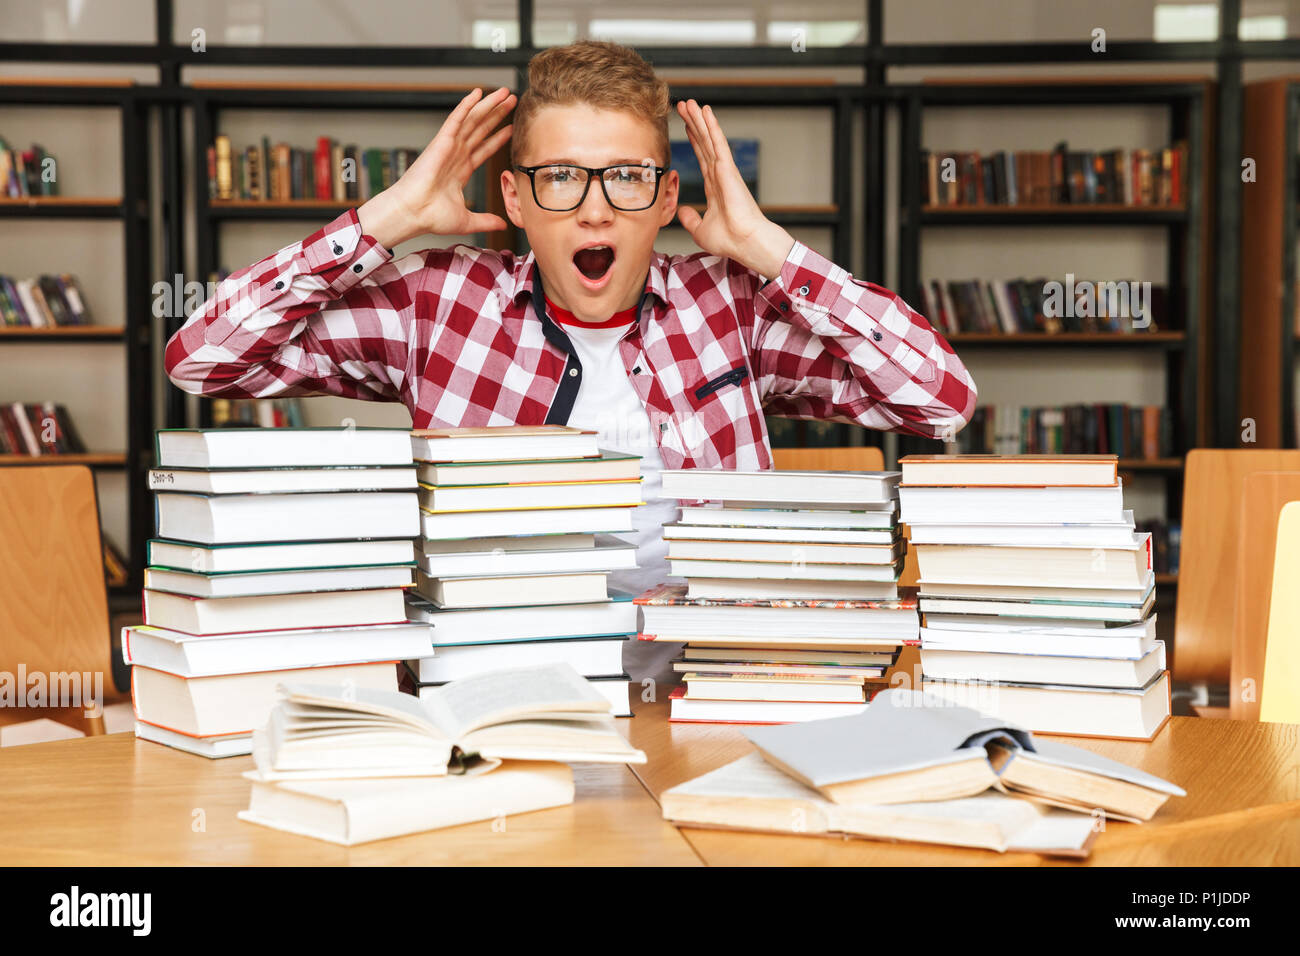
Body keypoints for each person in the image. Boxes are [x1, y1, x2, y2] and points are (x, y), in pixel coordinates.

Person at [165, 39, 977, 685]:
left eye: (625, 178)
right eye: (560, 178)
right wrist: (387, 218)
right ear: (515, 200)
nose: (594, 207)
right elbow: (202, 359)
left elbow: (941, 401)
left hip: (708, 698)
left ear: (665, 199)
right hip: (496, 704)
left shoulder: (728, 305)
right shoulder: (440, 303)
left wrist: (770, 249)